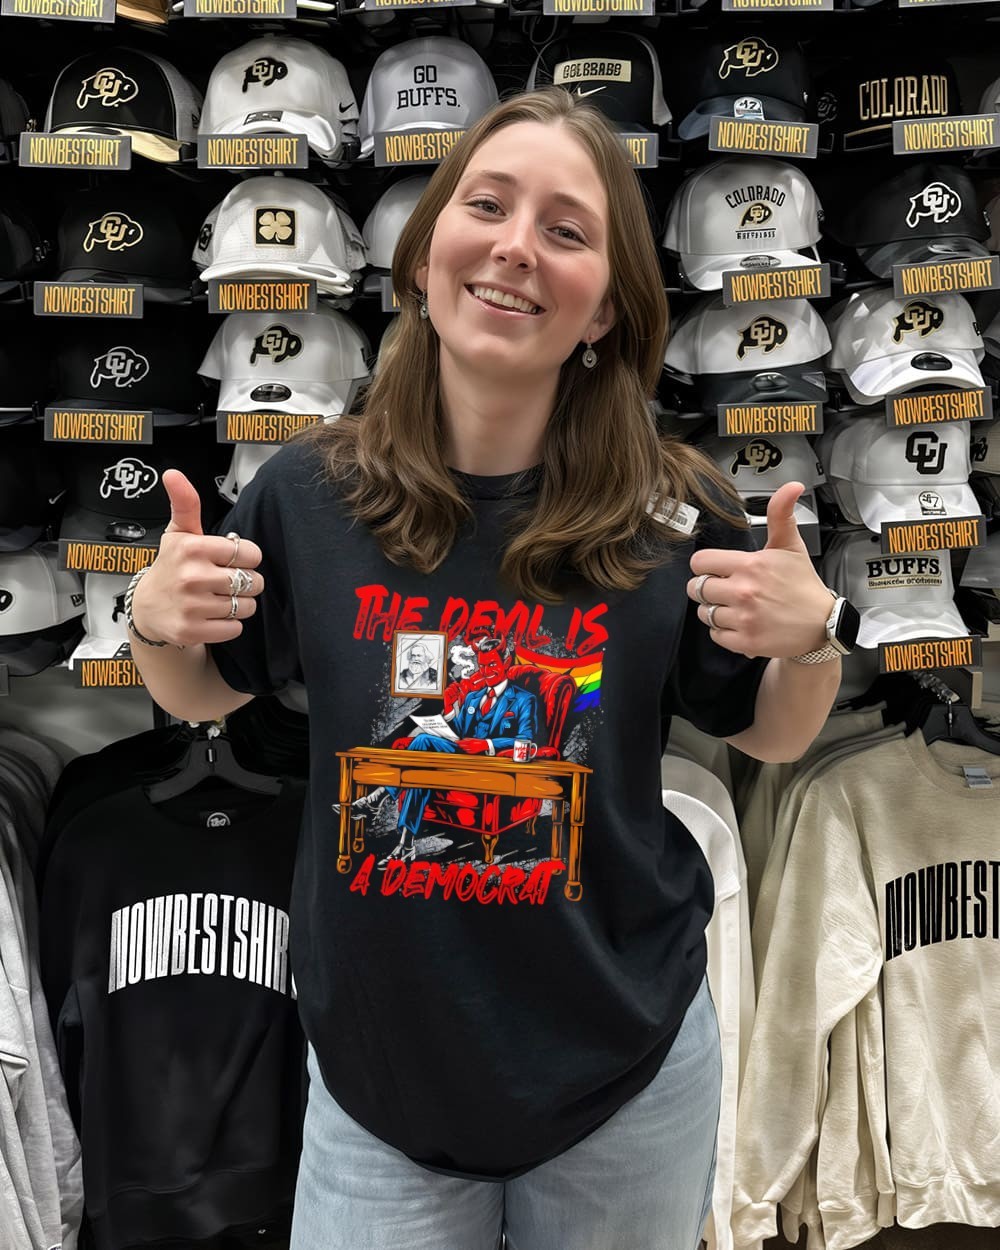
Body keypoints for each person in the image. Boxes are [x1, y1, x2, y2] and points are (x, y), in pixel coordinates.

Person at [127, 87, 843, 1250]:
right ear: (424, 257)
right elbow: (206, 692)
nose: (515, 247)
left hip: (621, 1068)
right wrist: (157, 625)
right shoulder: (308, 492)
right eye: (488, 205)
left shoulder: (674, 511)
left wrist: (809, 639)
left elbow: (769, 732)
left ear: (606, 306)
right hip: (379, 1081)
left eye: (565, 230)